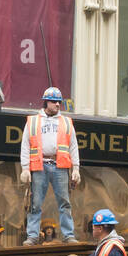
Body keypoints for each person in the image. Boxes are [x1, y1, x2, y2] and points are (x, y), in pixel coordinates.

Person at [20, 87, 81, 244]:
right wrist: (25, 168)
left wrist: (76, 169)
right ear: (46, 101)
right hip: (40, 166)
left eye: (59, 102)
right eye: (54, 102)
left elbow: (73, 146)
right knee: (35, 203)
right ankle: (32, 236)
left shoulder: (66, 122)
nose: (57, 105)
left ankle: (68, 235)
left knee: (65, 202)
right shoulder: (33, 121)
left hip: (60, 166)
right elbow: (25, 145)